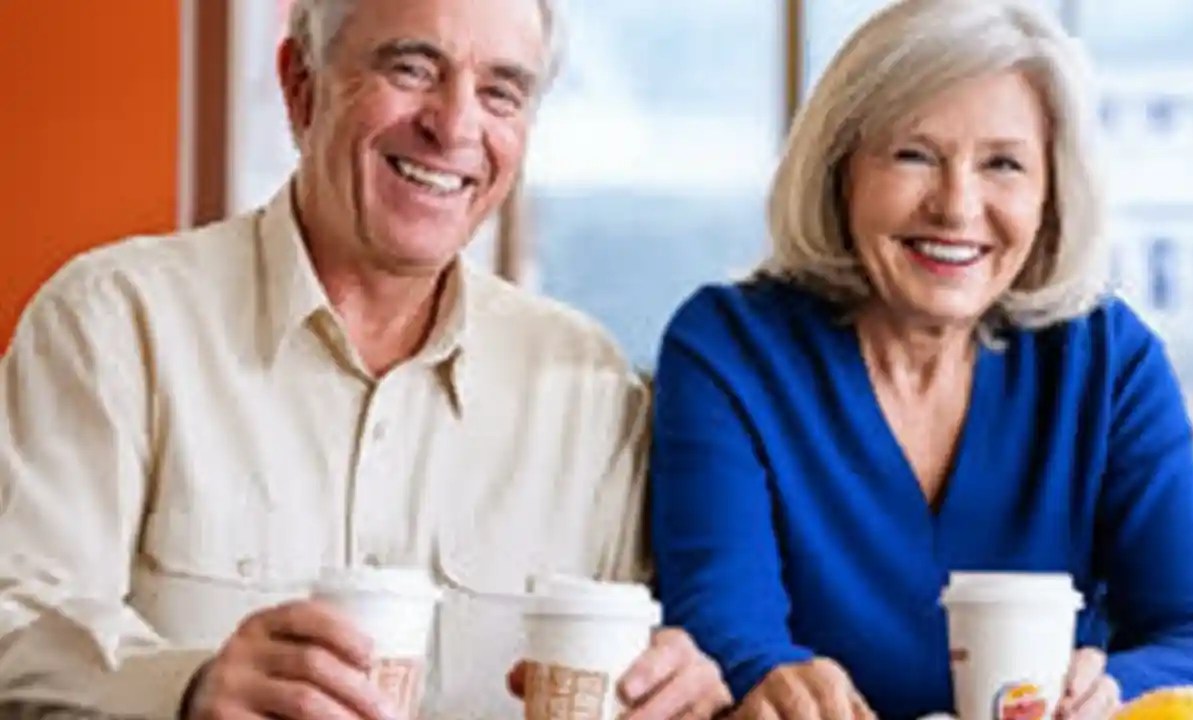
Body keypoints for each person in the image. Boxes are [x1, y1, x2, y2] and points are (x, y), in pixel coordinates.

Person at [0, 0, 732, 718]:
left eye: (501, 93)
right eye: (411, 69)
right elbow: (16, 631)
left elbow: (643, 661)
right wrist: (187, 689)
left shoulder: (589, 386)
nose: (454, 125)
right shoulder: (116, 323)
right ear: (300, 85)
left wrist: (681, 688)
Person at [647, 1, 1193, 719]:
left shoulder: (1107, 360)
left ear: (1050, 197)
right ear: (841, 170)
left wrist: (1114, 690)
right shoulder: (730, 349)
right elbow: (727, 632)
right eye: (914, 154)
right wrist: (771, 681)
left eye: (1003, 164)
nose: (956, 205)